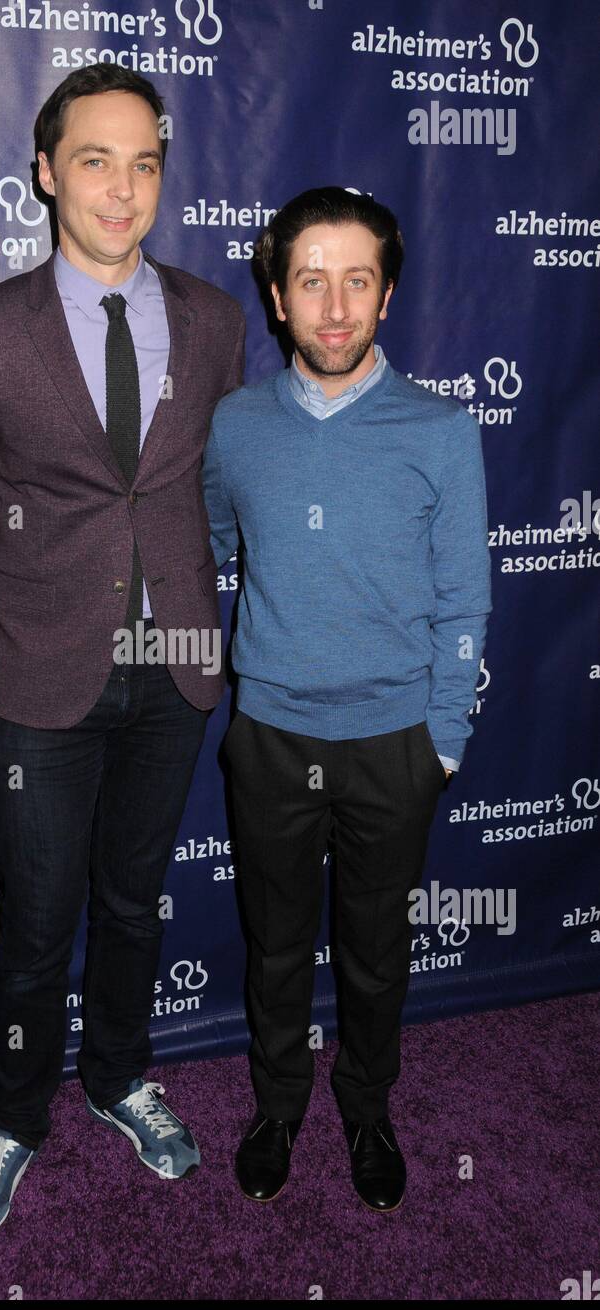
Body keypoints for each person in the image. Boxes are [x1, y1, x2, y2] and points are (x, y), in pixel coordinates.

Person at [0, 63, 245, 1240]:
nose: (121, 186)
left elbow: (225, 492)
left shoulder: (212, 318)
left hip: (178, 664)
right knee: (36, 918)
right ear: (45, 172)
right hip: (37, 673)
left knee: (135, 904)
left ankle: (115, 1078)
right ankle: (11, 1115)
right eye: (93, 160)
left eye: (143, 161)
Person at [202, 187, 492, 1211]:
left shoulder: (441, 430)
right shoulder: (233, 425)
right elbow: (216, 551)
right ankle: (277, 1104)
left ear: (386, 294)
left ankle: (366, 1107)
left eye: (355, 280)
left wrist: (442, 742)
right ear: (276, 297)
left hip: (394, 743)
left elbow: (464, 592)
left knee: (374, 953)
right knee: (275, 944)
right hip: (272, 737)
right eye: (310, 281)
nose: (333, 306)